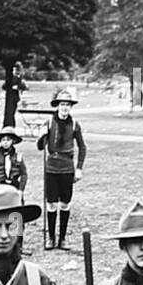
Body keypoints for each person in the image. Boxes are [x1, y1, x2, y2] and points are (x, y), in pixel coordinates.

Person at [36, 87, 87, 251]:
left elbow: (82, 147)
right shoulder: (49, 122)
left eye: (67, 104)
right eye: (62, 104)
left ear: (71, 107)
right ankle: (50, 238)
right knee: (51, 204)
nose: (65, 107)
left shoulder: (74, 124)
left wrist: (79, 168)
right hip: (51, 167)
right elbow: (39, 147)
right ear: (57, 106)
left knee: (65, 204)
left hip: (67, 168)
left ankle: (62, 239)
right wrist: (42, 135)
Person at [0, 124, 28, 194]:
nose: (5, 142)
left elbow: (24, 175)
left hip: (14, 187)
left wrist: (21, 190)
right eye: (3, 140)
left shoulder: (18, 157)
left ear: (13, 141)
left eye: (8, 140)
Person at [3, 63, 26, 127]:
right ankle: (11, 124)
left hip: (15, 97)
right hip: (10, 97)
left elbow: (24, 87)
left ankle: (12, 124)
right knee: (10, 111)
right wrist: (11, 87)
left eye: (16, 71)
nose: (15, 72)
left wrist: (18, 87)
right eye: (14, 71)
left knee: (13, 111)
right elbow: (4, 86)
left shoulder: (19, 79)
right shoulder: (10, 79)